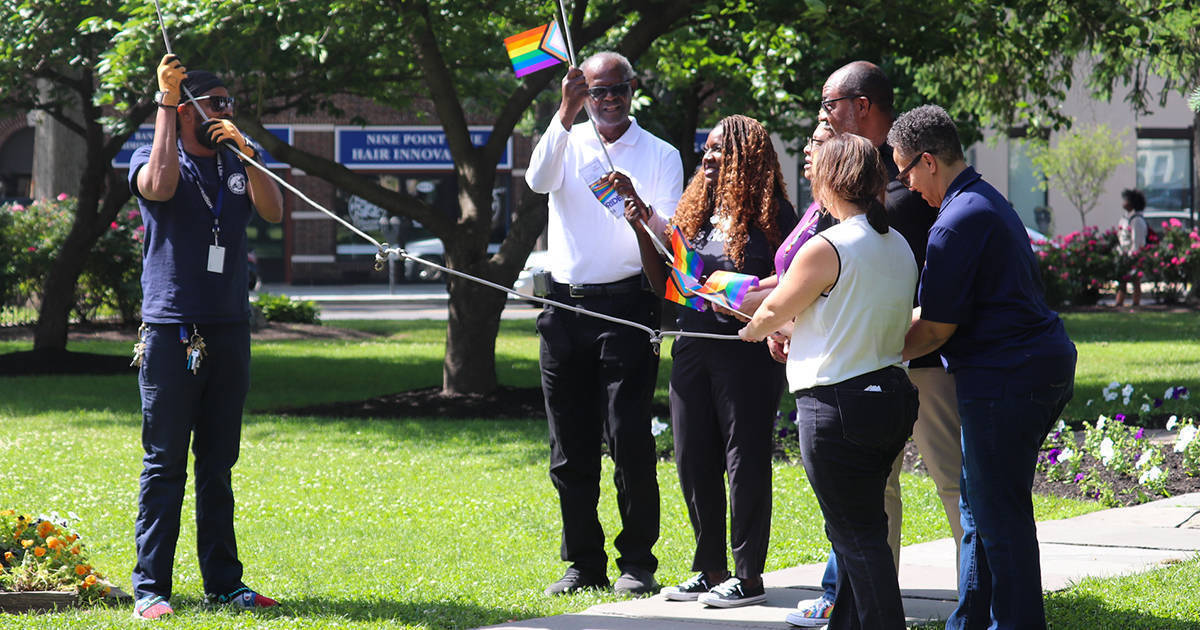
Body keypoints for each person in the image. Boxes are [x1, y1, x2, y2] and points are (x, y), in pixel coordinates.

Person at [788, 60, 964, 627]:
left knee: (954, 483)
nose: (824, 116)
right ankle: (864, 609)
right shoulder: (845, 191)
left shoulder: (906, 186)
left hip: (921, 359)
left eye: (829, 103)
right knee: (874, 500)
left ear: (862, 105)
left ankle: (980, 601)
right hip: (865, 368)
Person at [889, 104, 1077, 630]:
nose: (904, 185)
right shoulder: (982, 199)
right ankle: (970, 620)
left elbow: (934, 331)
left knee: (999, 519)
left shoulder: (954, 222)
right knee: (981, 507)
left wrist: (865, 350)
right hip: (1030, 367)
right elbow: (940, 308)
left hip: (1007, 379)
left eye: (904, 171)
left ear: (927, 161)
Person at [740, 133, 918, 630]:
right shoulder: (897, 243)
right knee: (862, 532)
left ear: (829, 181)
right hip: (889, 396)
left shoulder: (828, 245)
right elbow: (846, 319)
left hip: (840, 407)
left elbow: (776, 307)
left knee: (857, 538)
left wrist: (753, 330)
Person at [128, 56, 283, 620]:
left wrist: (247, 150)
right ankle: (151, 589)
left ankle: (224, 583)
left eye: (230, 104)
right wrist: (166, 103)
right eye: (215, 104)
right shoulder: (156, 159)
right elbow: (160, 186)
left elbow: (273, 209)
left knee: (217, 464)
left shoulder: (236, 163)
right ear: (189, 109)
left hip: (228, 328)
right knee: (165, 462)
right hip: (171, 331)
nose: (225, 111)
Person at [525, 51, 684, 597]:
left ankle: (637, 562)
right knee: (569, 445)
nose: (608, 99)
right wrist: (564, 113)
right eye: (597, 91)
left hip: (627, 309)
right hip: (565, 309)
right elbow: (536, 180)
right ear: (582, 93)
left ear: (634, 88)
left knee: (629, 439)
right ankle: (582, 564)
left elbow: (671, 240)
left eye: (617, 88)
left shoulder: (660, 153)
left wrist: (637, 205)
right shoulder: (566, 139)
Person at [626, 115, 796, 608]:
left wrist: (730, 292)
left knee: (743, 460)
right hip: (692, 348)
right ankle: (709, 566)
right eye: (707, 146)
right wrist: (643, 226)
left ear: (748, 156)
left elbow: (781, 290)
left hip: (745, 353)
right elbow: (668, 284)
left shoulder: (775, 218)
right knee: (692, 457)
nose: (709, 155)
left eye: (721, 148)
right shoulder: (695, 215)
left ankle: (747, 575)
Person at [1115, 188, 1148, 307]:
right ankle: (1120, 301)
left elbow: (1137, 241)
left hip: (1133, 255)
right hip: (1124, 253)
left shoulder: (1137, 220)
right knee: (1122, 279)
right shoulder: (1125, 219)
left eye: (1127, 200)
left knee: (1135, 279)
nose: (1124, 202)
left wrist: (1133, 256)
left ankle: (1135, 302)